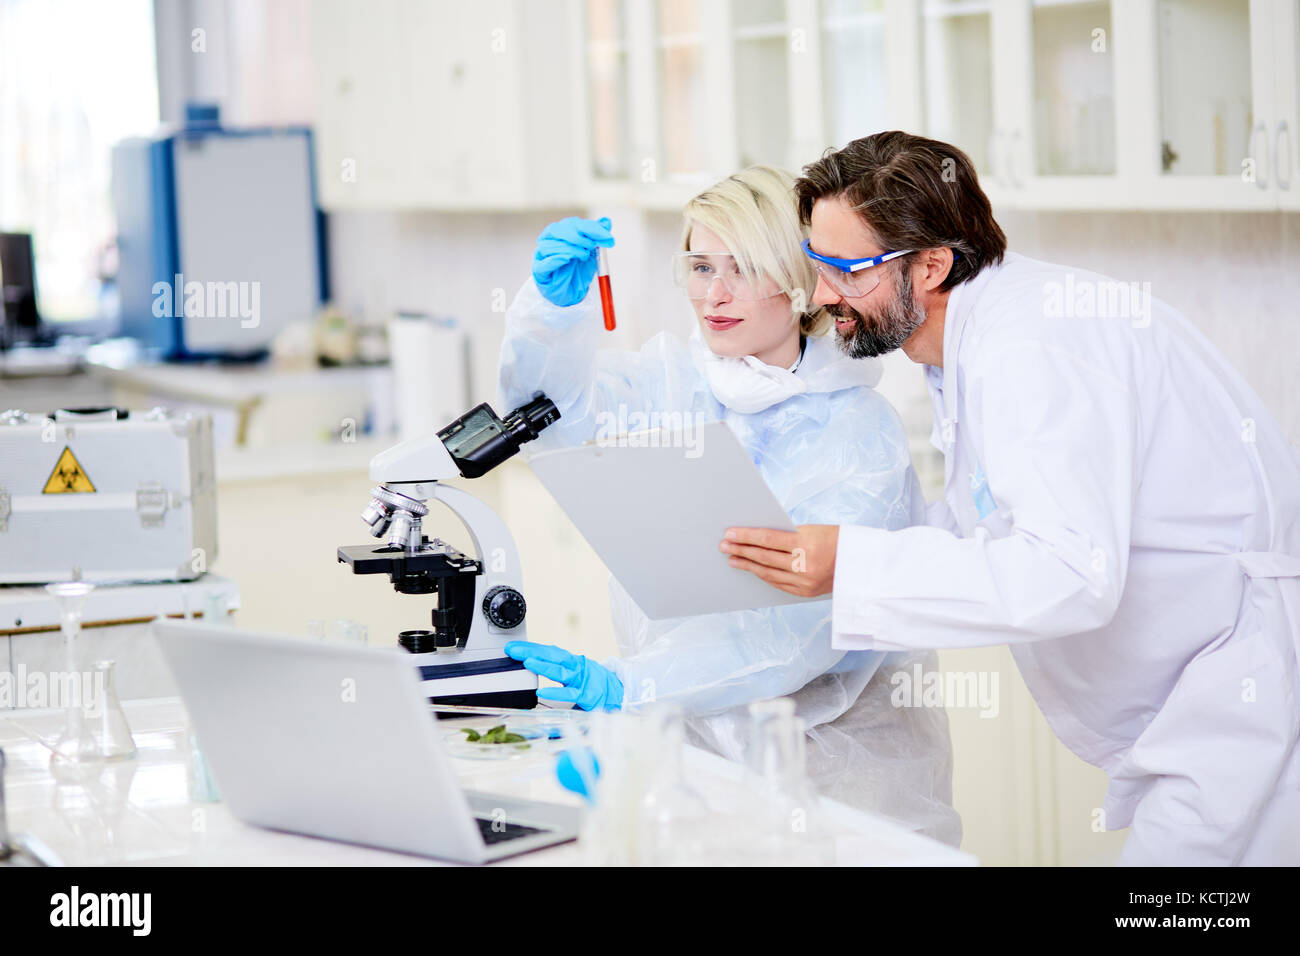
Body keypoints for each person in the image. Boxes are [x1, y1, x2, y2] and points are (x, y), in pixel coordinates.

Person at [722, 131, 1300, 865]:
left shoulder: (1027, 348)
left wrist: (854, 566)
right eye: (817, 265)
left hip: (1241, 692)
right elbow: (983, 526)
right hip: (1200, 702)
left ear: (932, 265)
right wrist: (835, 547)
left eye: (847, 270)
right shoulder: (972, 343)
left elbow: (1067, 573)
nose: (825, 294)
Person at [497, 165, 961, 844]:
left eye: (741, 268)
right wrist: (551, 316)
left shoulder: (859, 434)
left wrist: (630, 685)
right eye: (699, 266)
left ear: (798, 279)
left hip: (840, 783)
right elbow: (551, 423)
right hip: (689, 764)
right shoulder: (671, 382)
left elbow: (802, 628)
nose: (714, 294)